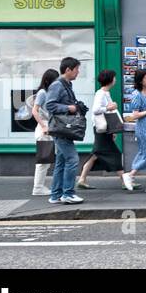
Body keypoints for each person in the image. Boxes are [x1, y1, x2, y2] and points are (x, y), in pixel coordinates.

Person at [43, 57, 88, 204]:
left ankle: (55, 195)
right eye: (76, 69)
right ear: (68, 70)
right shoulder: (57, 85)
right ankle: (68, 193)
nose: (78, 72)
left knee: (61, 162)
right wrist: (68, 108)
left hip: (64, 128)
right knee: (73, 159)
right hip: (60, 129)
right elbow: (49, 105)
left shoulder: (66, 84)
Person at [77, 70, 122, 189]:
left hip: (104, 129)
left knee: (96, 154)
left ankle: (82, 179)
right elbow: (96, 110)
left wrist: (111, 130)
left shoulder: (106, 93)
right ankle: (125, 181)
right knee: (115, 153)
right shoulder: (101, 93)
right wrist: (109, 106)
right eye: (114, 77)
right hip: (100, 129)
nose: (115, 79)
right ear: (110, 80)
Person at [29, 68, 59, 196]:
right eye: (55, 80)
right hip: (44, 129)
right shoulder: (42, 93)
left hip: (49, 127)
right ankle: (38, 188)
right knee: (44, 160)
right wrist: (43, 126)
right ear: (48, 81)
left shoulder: (49, 93)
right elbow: (34, 111)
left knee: (46, 160)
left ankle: (39, 186)